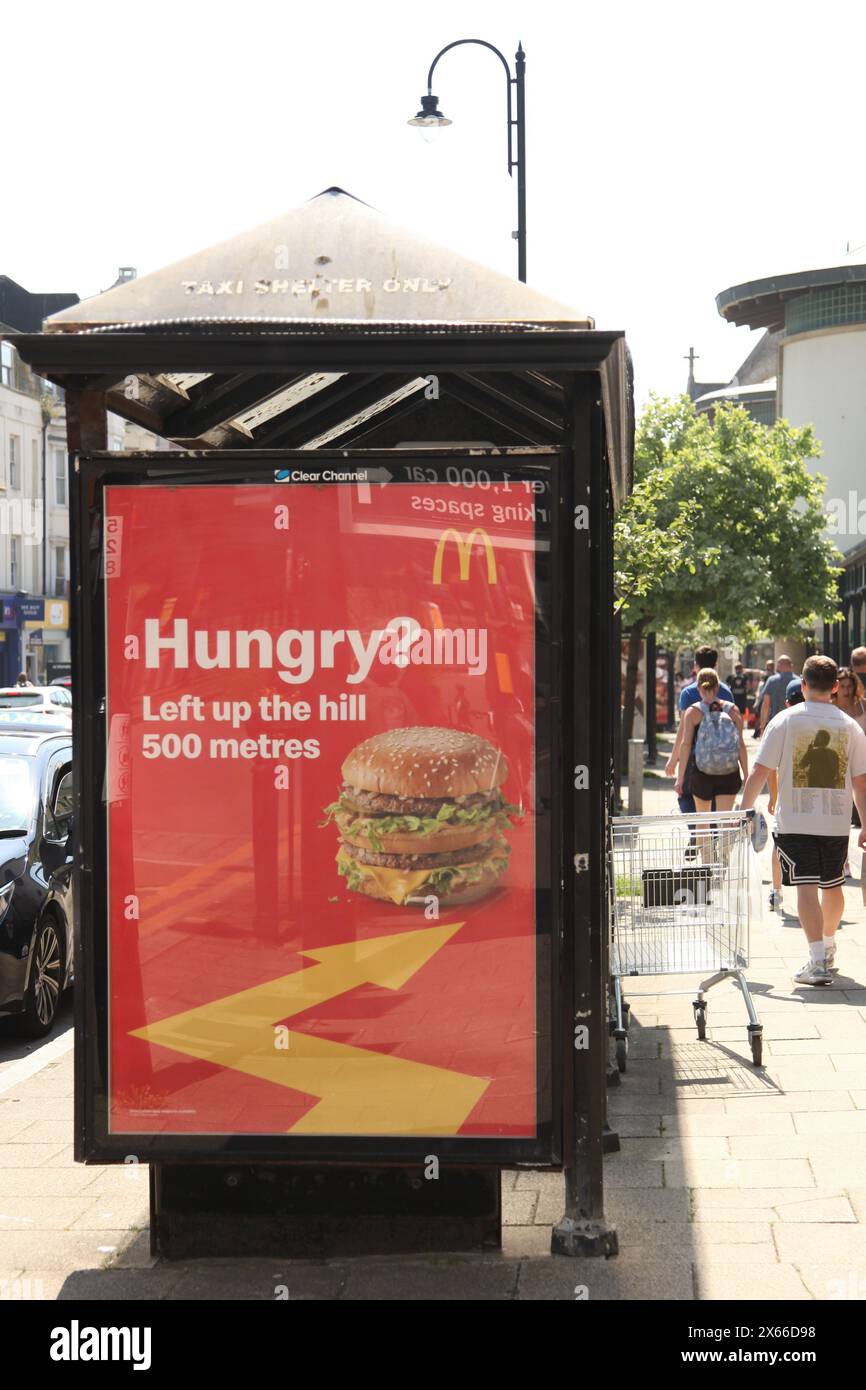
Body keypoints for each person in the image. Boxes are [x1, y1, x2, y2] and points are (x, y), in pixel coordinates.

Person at [741, 655, 866, 985]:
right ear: (836, 687)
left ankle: (816, 961)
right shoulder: (850, 726)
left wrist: (745, 809)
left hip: (796, 820)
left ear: (804, 684)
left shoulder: (785, 721)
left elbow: (760, 771)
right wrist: (865, 823)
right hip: (836, 821)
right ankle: (827, 946)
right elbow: (860, 782)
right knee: (834, 885)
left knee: (807, 889)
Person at [675, 669, 748, 818]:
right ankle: (723, 842)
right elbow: (740, 744)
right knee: (724, 822)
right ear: (718, 687)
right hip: (729, 773)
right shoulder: (733, 710)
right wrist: (746, 774)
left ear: (698, 688)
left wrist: (680, 778)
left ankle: (705, 842)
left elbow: (686, 745)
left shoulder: (693, 712)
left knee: (703, 824)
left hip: (702, 773)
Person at [767, 676, 805, 912]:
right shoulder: (819, 721)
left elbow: (769, 767)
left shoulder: (780, 722)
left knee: (779, 843)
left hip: (788, 796)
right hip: (812, 796)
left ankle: (776, 890)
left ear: (787, 702)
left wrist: (773, 796)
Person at [759, 655, 797, 734]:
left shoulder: (772, 680)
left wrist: (762, 726)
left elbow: (766, 704)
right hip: (794, 721)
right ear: (791, 665)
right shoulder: (798, 681)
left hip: (775, 722)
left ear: (779, 665)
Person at [751, 659, 774, 738]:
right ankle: (757, 732)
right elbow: (760, 693)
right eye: (768, 666)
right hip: (763, 698)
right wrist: (756, 703)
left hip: (771, 699)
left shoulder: (774, 677)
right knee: (759, 717)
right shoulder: (764, 675)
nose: (769, 668)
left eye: (770, 666)